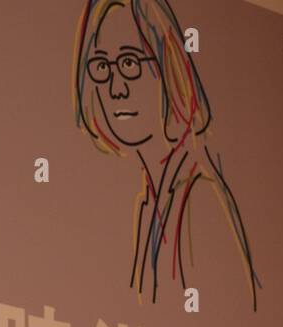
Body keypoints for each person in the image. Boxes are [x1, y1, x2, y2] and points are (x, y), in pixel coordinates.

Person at [74, 0, 262, 309]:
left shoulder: (196, 196)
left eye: (130, 63)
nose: (115, 87)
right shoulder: (154, 198)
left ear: (168, 65)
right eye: (101, 67)